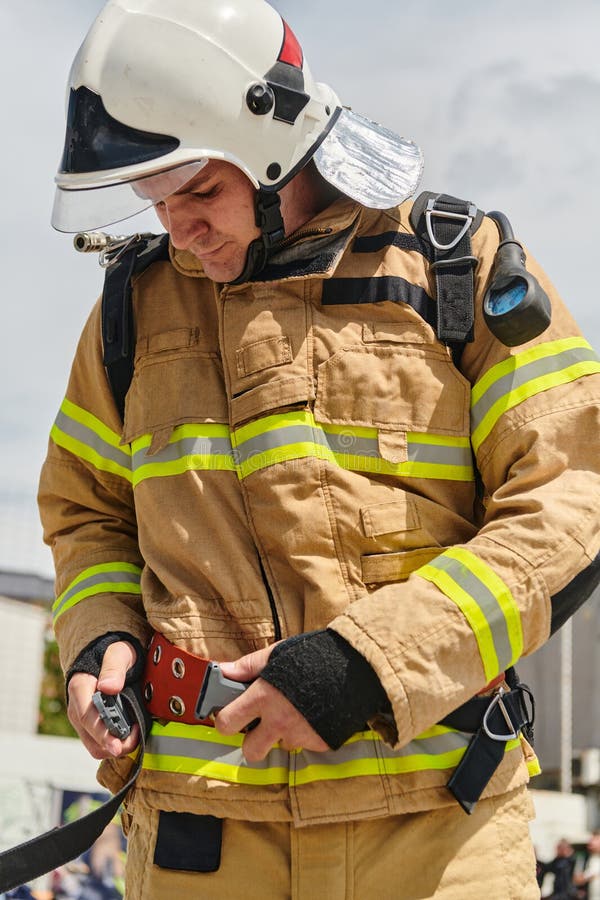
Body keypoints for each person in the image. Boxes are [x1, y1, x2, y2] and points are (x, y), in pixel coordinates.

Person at [39, 1, 600, 897]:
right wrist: (96, 637)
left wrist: (368, 664)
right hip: (198, 836)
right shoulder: (130, 312)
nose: (179, 229)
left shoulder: (457, 267)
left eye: (200, 192)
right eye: (156, 199)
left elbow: (574, 503)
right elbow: (86, 516)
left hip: (437, 834)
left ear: (275, 150)